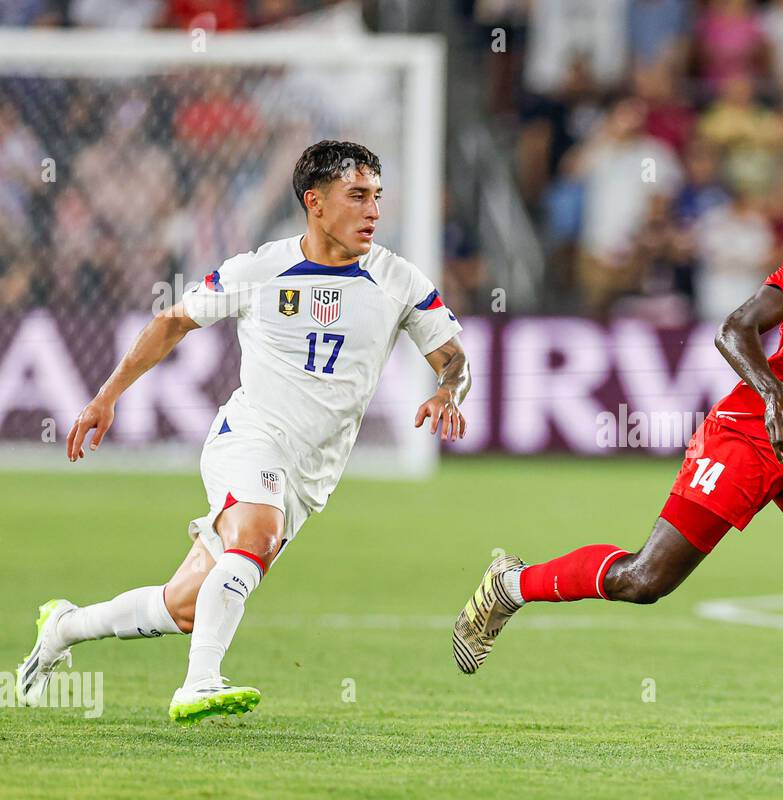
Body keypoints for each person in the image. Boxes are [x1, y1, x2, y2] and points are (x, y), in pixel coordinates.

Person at [453, 127, 783, 751]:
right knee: (645, 580)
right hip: (754, 433)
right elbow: (736, 328)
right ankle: (512, 584)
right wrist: (775, 395)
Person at [18, 141, 469, 725]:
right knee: (255, 532)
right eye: (357, 196)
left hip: (311, 476)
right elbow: (174, 319)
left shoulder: (398, 279)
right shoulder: (260, 269)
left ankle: (65, 627)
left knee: (182, 607)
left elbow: (453, 359)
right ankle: (199, 684)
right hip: (250, 436)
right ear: (316, 202)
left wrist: (445, 392)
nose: (373, 211)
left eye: (377, 197)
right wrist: (106, 397)